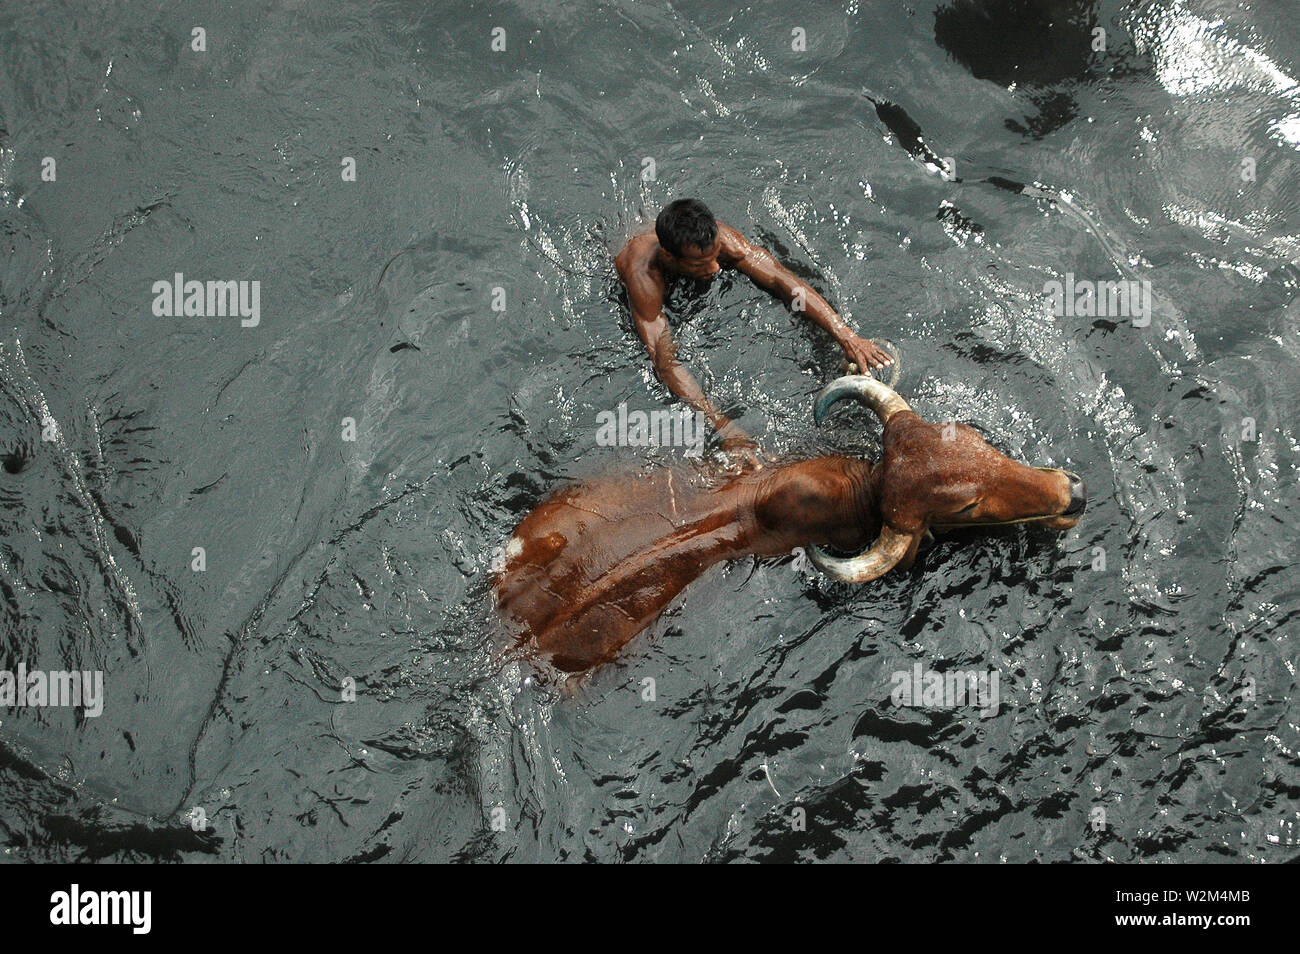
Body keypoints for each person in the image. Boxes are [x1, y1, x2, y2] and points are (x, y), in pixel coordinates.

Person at [614, 198, 893, 469]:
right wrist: (723, 427)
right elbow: (666, 362)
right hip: (644, 273)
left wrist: (846, 336)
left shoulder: (719, 239)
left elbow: (780, 279)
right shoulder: (644, 278)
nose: (715, 268)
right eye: (701, 265)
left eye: (714, 257)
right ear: (669, 256)